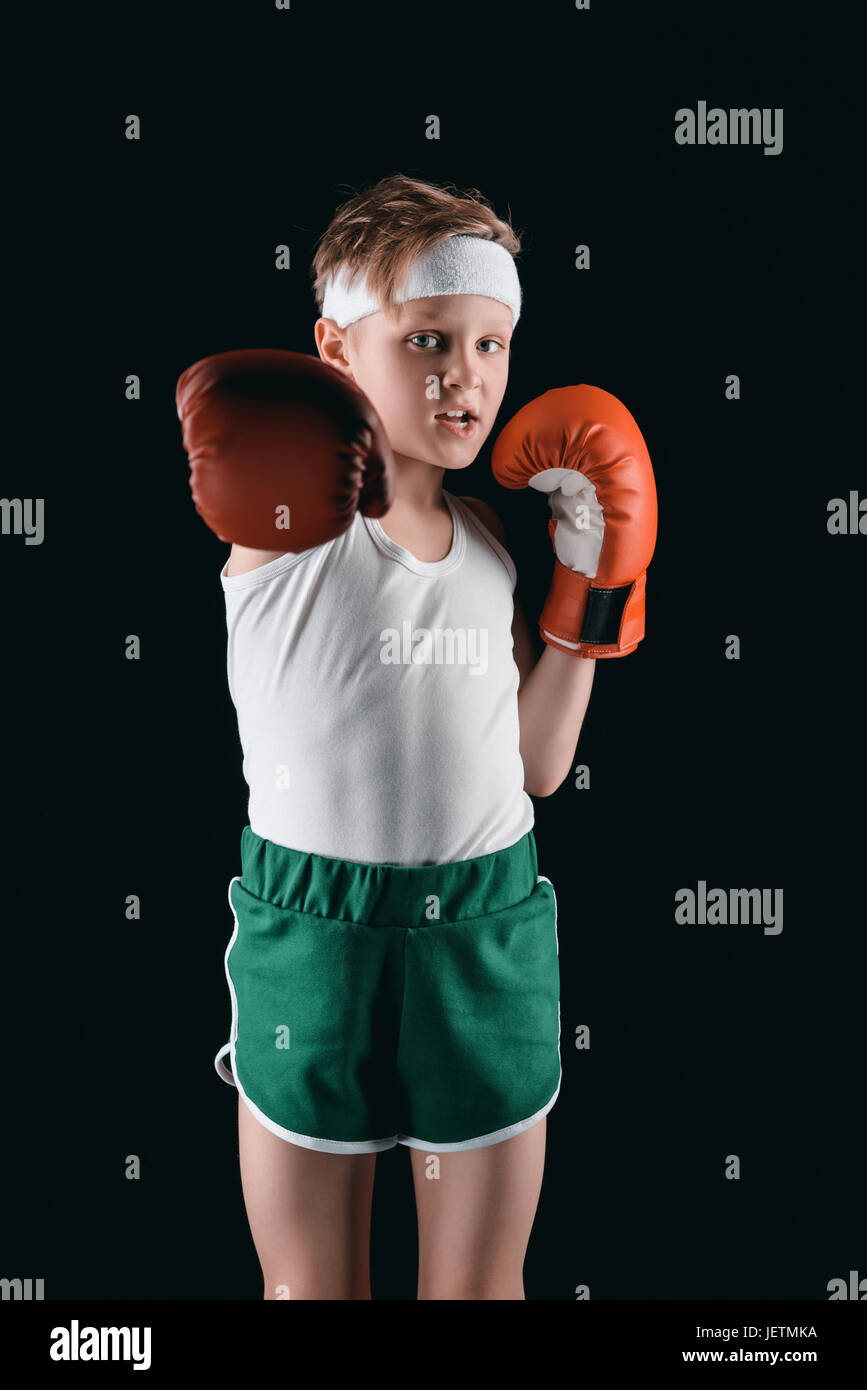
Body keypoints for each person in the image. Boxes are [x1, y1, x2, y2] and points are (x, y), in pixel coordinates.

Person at [176, 174, 656, 1300]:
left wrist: (592, 579)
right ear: (336, 350)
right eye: (428, 337)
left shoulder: (491, 542)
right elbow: (254, 439)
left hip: (483, 927)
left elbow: (537, 768)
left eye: (493, 344)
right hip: (317, 929)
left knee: (482, 1293)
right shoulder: (287, 528)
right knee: (309, 1293)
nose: (467, 376)